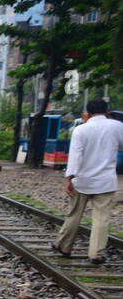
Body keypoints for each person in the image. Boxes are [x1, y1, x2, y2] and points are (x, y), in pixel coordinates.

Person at [53, 96, 123, 265]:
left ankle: (64, 246)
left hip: (82, 180)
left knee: (74, 214)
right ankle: (96, 254)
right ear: (106, 111)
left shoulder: (81, 130)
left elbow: (75, 156)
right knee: (101, 219)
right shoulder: (117, 127)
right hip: (105, 181)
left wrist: (69, 179)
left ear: (88, 113)